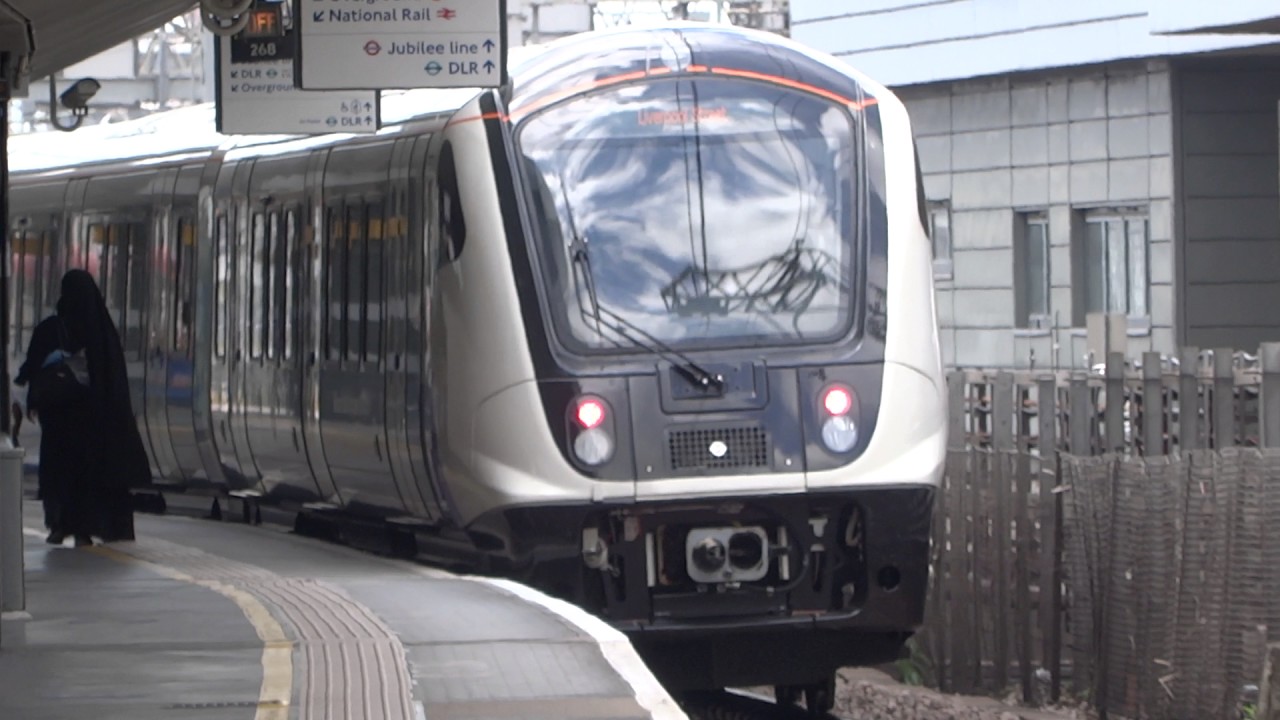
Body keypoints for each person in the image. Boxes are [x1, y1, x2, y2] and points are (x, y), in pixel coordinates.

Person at [56, 269, 151, 542]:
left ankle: (81, 527)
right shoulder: (105, 334)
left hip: (82, 426)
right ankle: (109, 528)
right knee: (108, 484)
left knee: (82, 481)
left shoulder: (73, 328)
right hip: (108, 429)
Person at [15, 313, 94, 546]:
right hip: (83, 414)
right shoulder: (92, 326)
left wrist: (33, 401)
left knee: (54, 469)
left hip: (54, 414)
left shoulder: (49, 328)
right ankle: (83, 527)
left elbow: (34, 364)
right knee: (82, 470)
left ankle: (57, 524)